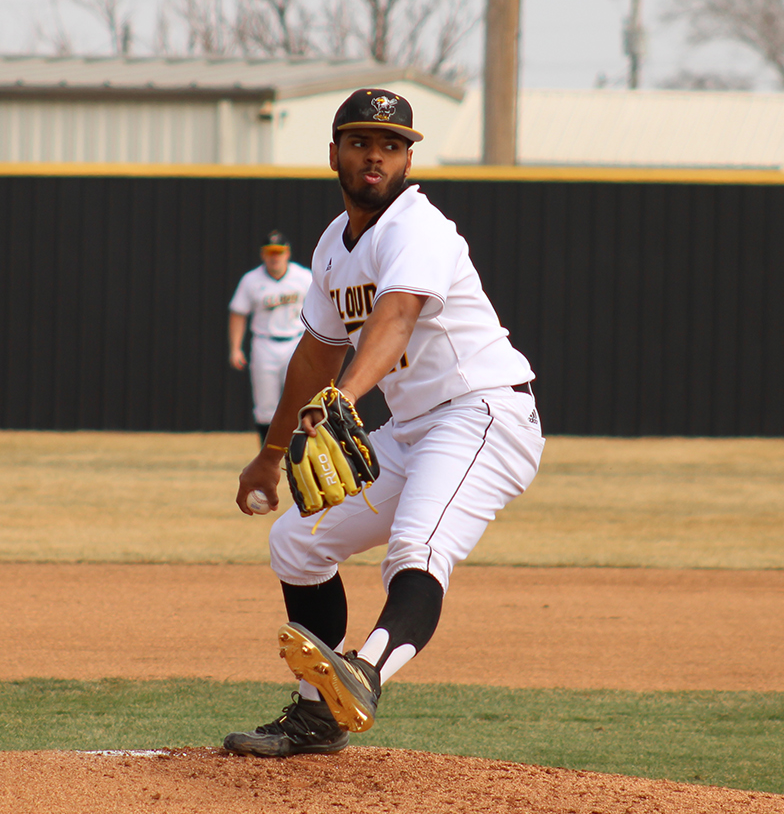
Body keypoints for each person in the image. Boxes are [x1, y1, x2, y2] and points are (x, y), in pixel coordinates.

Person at [224, 88, 545, 757]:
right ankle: (320, 716)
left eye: (392, 145)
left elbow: (396, 315)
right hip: (414, 428)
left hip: (484, 411)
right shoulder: (334, 248)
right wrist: (271, 450)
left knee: (417, 549)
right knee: (297, 542)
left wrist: (343, 399)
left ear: (407, 158)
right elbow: (315, 352)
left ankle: (364, 675)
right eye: (363, 142)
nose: (377, 156)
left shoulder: (415, 227)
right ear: (335, 152)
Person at [228, 231, 314, 444]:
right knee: (265, 406)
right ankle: (266, 458)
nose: (275, 257)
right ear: (263, 255)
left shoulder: (303, 277)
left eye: (279, 252)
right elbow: (238, 313)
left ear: (287, 253)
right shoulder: (251, 280)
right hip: (264, 343)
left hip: (295, 341)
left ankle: (300, 453)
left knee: (302, 401)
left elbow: (320, 309)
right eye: (270, 252)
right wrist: (235, 348)